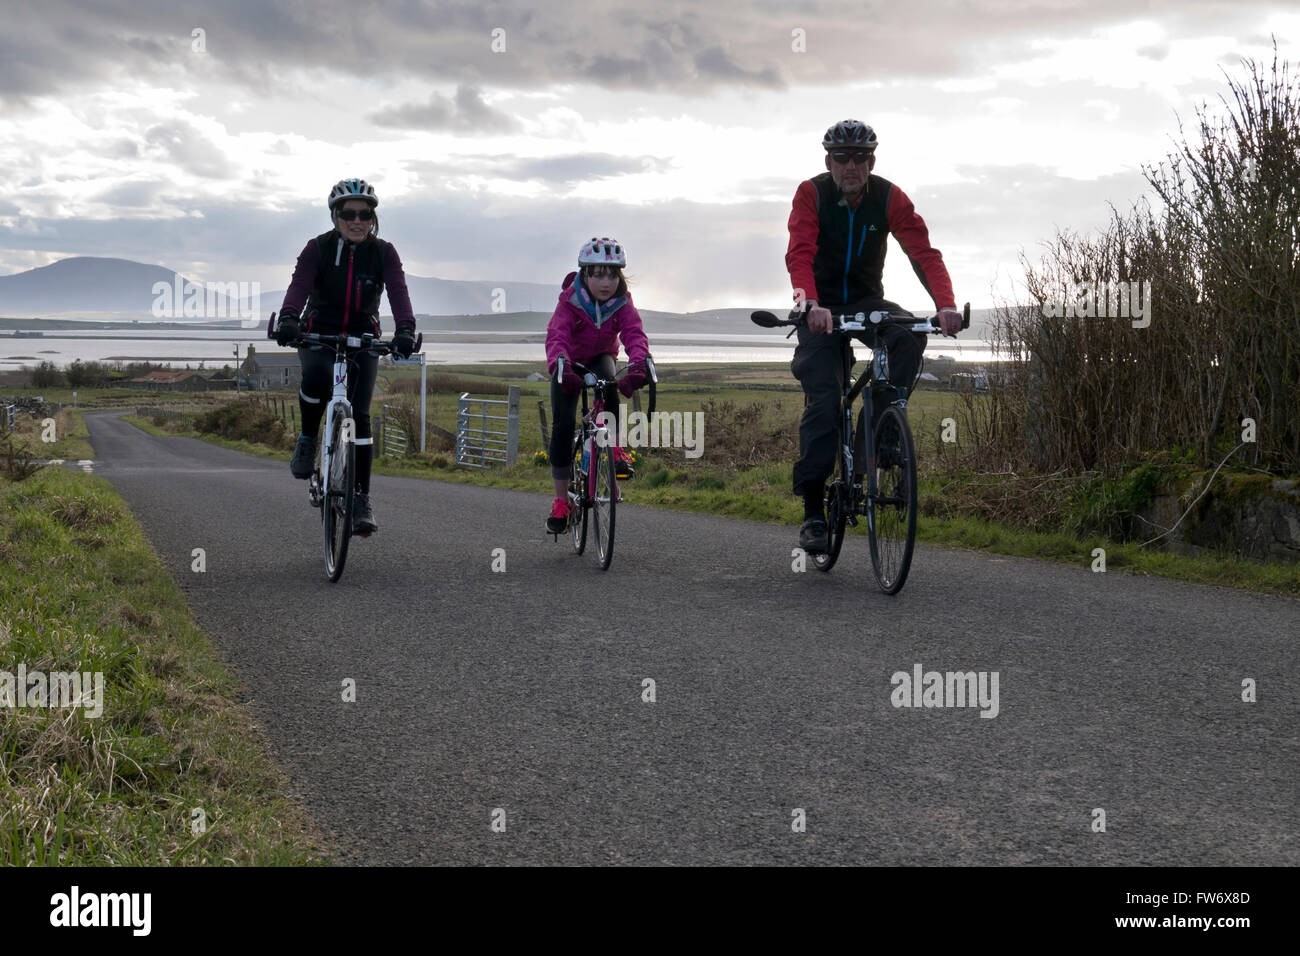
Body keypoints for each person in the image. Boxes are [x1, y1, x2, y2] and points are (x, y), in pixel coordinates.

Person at [786, 119, 963, 554]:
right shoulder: (812, 194)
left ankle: (880, 431)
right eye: (842, 158)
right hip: (819, 308)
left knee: (907, 335)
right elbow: (799, 252)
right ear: (829, 161)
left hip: (867, 301)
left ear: (871, 162)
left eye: (860, 158)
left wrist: (945, 305)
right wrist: (809, 303)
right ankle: (812, 509)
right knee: (825, 400)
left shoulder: (888, 197)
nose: (851, 165)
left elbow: (922, 252)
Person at [272, 178, 418, 536]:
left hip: (362, 335)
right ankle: (307, 438)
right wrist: (289, 318)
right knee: (318, 379)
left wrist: (405, 331)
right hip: (318, 329)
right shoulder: (317, 249)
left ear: (373, 218)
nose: (358, 221)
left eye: (365, 214)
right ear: (335, 216)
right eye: (349, 214)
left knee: (361, 415)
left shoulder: (384, 252)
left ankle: (360, 499)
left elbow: (398, 291)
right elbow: (299, 285)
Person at [544, 237, 651, 534]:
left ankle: (613, 450)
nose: (607, 282)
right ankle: (561, 502)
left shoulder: (622, 302)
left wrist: (640, 362)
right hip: (570, 362)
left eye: (613, 274)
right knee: (563, 426)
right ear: (585, 274)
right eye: (599, 274)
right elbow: (557, 336)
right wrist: (560, 367)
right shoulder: (570, 300)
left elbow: (634, 334)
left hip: (601, 356)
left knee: (611, 383)